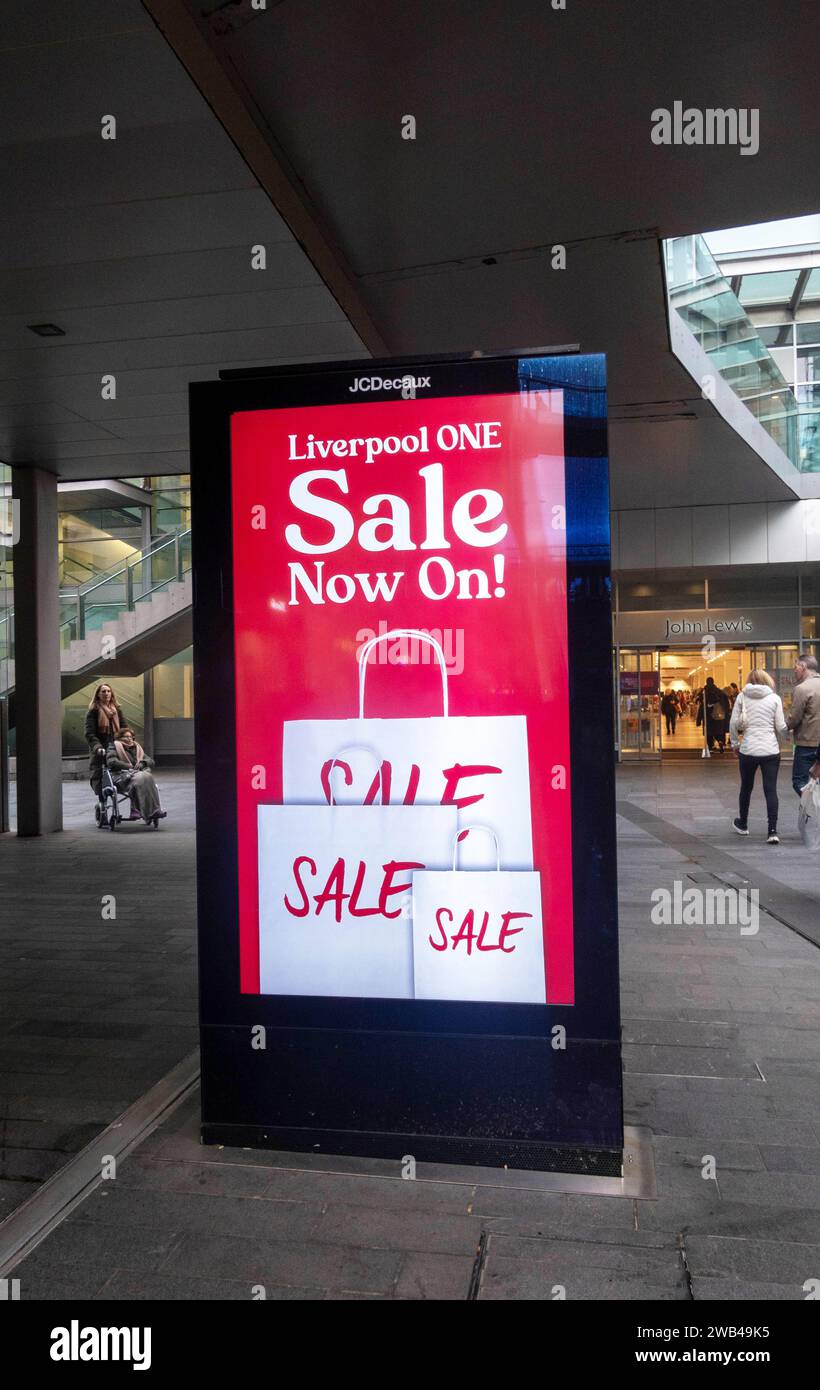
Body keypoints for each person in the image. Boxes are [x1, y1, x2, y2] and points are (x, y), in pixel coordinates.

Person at [729, 669, 787, 844]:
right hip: (770, 750)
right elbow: (781, 726)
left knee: (746, 788)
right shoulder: (775, 698)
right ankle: (772, 831)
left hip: (748, 750)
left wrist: (734, 744)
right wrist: (788, 738)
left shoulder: (742, 696)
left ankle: (743, 824)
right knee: (771, 790)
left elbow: (733, 723)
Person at [106, 727, 166, 823]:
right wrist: (129, 766)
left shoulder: (136, 748)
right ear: (119, 738)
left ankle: (152, 810)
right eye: (126, 737)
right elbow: (111, 761)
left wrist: (143, 763)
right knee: (142, 778)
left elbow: (151, 761)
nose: (129, 739)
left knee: (147, 777)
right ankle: (140, 810)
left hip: (137, 775)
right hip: (121, 776)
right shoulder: (113, 747)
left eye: (131, 737)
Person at [786, 653, 820, 796]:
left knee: (799, 781)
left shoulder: (802, 688)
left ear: (803, 666)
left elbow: (794, 718)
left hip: (807, 743)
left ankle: (813, 804)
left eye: (796, 667)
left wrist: (785, 726)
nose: (794, 671)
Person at [85, 682, 124, 797]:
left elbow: (124, 728)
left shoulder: (117, 711)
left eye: (108, 691)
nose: (106, 693)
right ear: (98, 694)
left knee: (121, 770)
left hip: (116, 747)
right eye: (103, 691)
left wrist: (128, 740)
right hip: (101, 748)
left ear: (112, 694)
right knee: (99, 775)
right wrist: (97, 747)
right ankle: (102, 800)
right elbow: (90, 733)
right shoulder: (93, 711)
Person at [697, 676, 730, 752]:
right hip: (717, 715)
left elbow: (702, 706)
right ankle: (720, 741)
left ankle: (711, 746)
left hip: (707, 716)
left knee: (709, 732)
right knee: (717, 730)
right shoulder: (719, 691)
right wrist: (726, 713)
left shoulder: (704, 692)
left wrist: (699, 719)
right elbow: (725, 703)